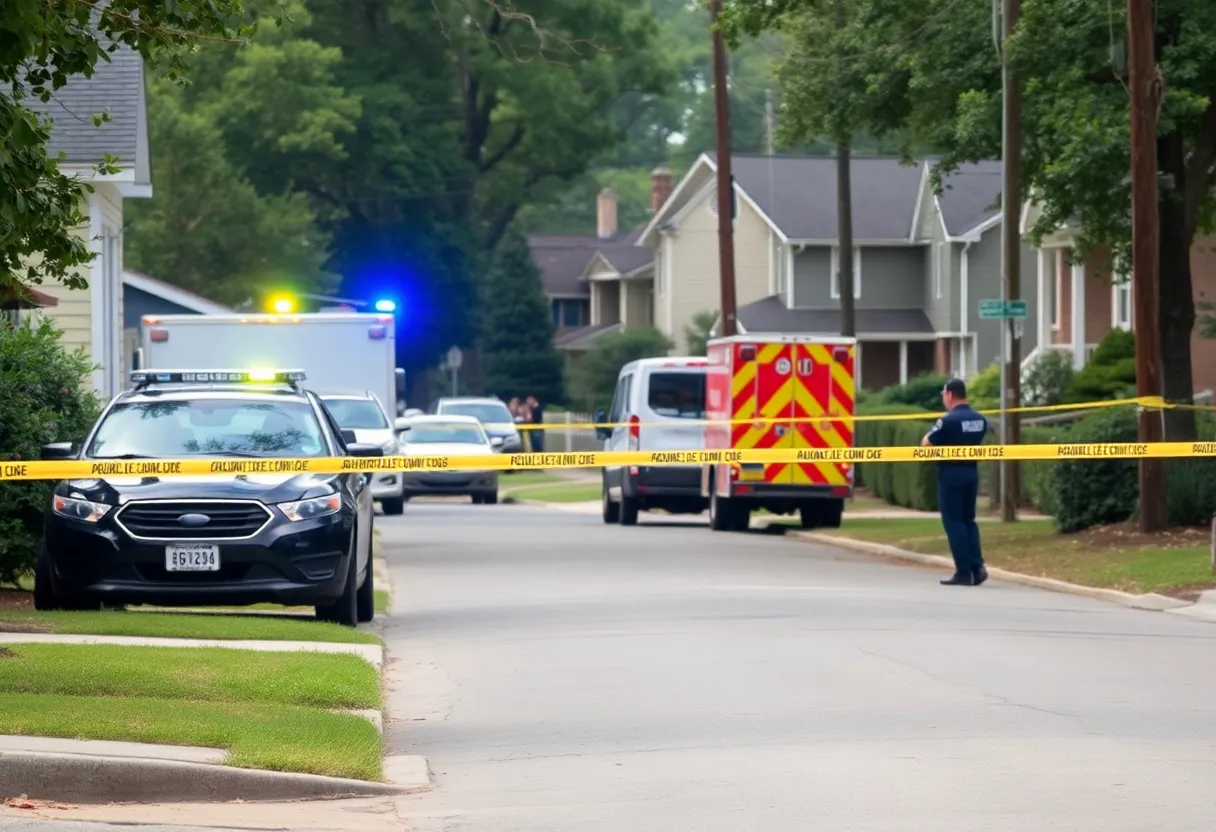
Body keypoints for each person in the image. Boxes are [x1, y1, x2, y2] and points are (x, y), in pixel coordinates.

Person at [921, 377, 989, 586]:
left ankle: (963, 571)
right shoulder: (980, 420)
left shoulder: (947, 421)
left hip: (951, 474)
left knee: (954, 522)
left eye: (944, 395)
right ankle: (977, 567)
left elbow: (926, 445)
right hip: (971, 473)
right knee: (969, 520)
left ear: (950, 394)